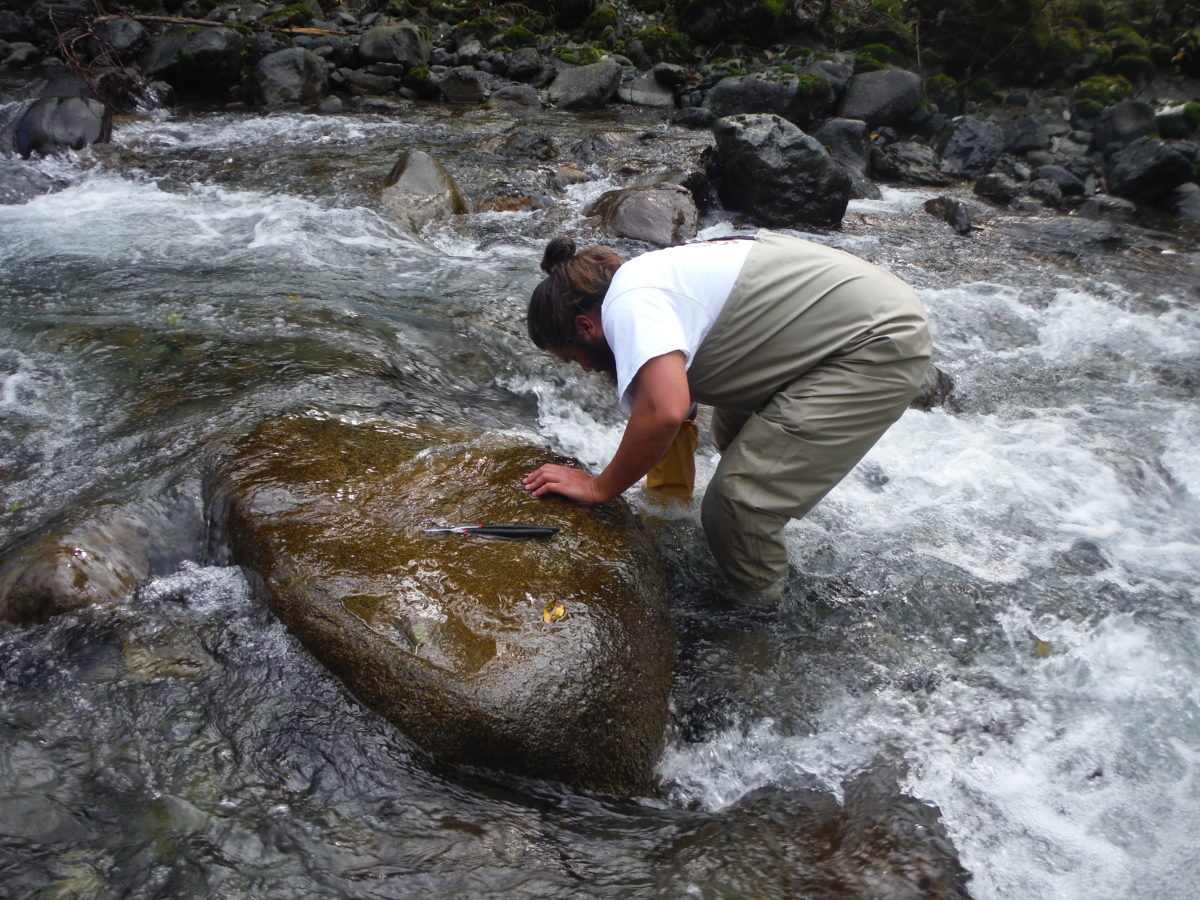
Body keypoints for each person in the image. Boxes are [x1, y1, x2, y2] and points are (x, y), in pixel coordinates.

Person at [523, 230, 932, 605]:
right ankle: (757, 551)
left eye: (571, 357)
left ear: (584, 325)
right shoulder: (646, 281)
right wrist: (664, 509)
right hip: (836, 324)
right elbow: (679, 408)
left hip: (872, 342)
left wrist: (599, 487)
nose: (584, 369)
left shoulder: (629, 304)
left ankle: (758, 619)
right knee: (735, 441)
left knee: (738, 502)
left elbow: (663, 411)